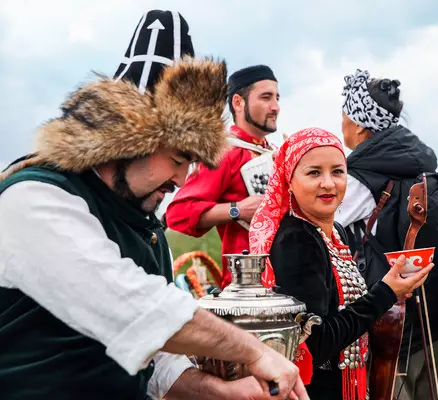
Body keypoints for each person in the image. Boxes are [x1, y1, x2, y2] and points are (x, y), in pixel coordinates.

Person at [0, 10, 306, 400]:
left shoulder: (143, 226)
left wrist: (221, 392)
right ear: (128, 139)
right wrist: (255, 351)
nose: (181, 181)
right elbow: (132, 308)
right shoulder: (35, 198)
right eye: (178, 159)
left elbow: (155, 357)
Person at [249, 127, 433, 400]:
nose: (328, 183)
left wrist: (394, 286)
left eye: (338, 171)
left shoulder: (335, 231)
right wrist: (385, 293)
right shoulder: (296, 240)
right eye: (314, 172)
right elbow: (317, 343)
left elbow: (344, 305)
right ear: (289, 180)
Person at [335, 69, 438, 399]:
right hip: (433, 310)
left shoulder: (360, 176)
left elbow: (327, 225)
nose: (341, 123)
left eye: (343, 114)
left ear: (359, 124)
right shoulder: (419, 164)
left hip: (391, 314)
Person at [166, 64, 280, 288]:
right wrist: (237, 209)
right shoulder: (224, 152)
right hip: (248, 283)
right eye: (266, 97)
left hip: (286, 273)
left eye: (277, 98)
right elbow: (178, 213)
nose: (275, 107)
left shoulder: (274, 151)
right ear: (238, 102)